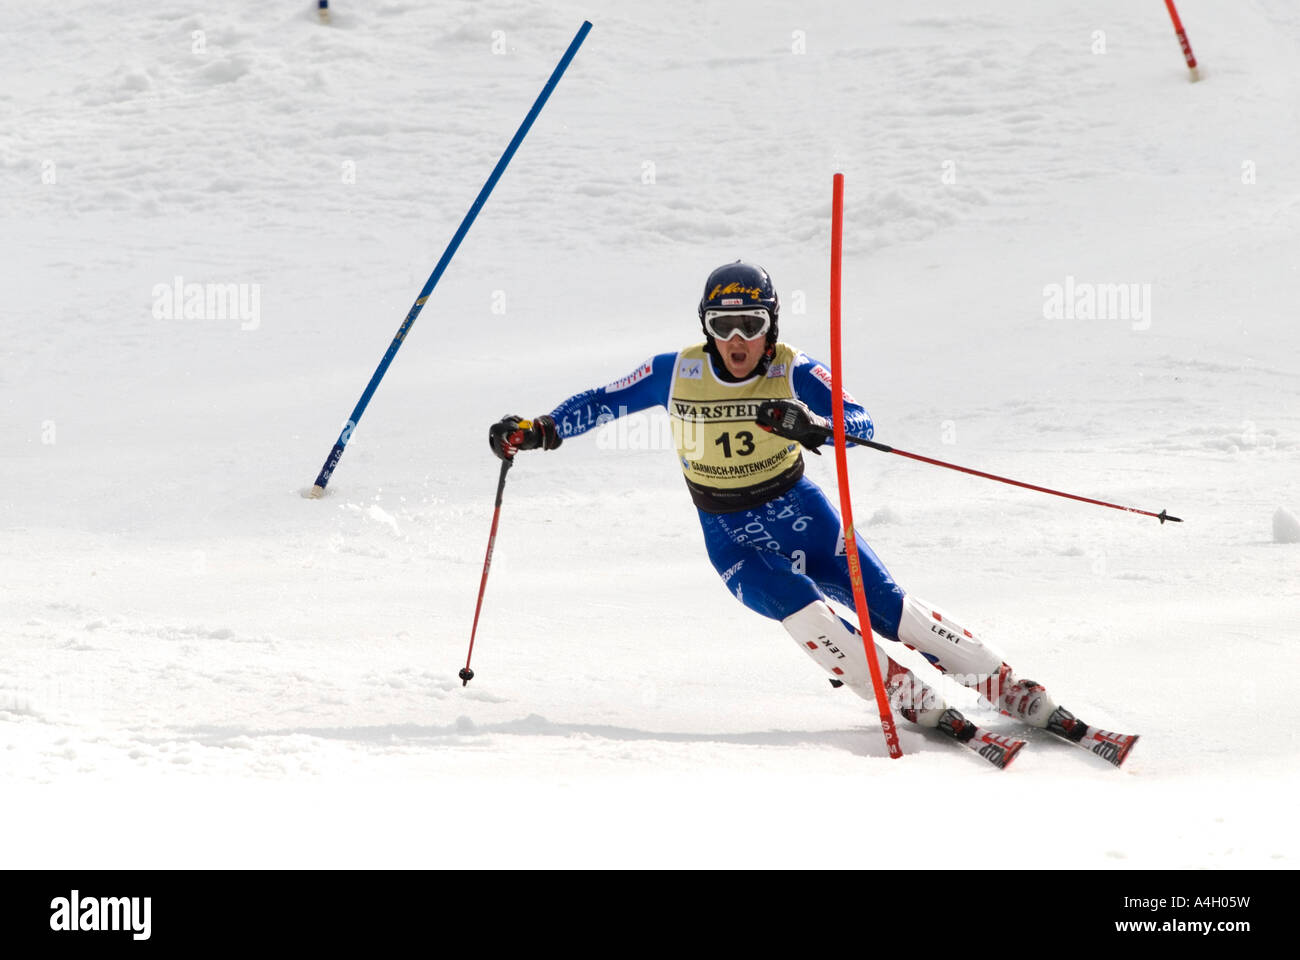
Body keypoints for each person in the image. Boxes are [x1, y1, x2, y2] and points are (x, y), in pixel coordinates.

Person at [488, 261, 1137, 768]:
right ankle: (906, 697)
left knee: (892, 610)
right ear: (705, 326)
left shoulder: (794, 366)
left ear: (770, 323)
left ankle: (1015, 691)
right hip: (732, 538)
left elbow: (862, 422)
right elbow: (601, 402)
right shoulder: (674, 371)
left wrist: (812, 423)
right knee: (807, 612)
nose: (737, 342)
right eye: (722, 326)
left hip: (803, 515)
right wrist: (538, 430)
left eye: (750, 325)